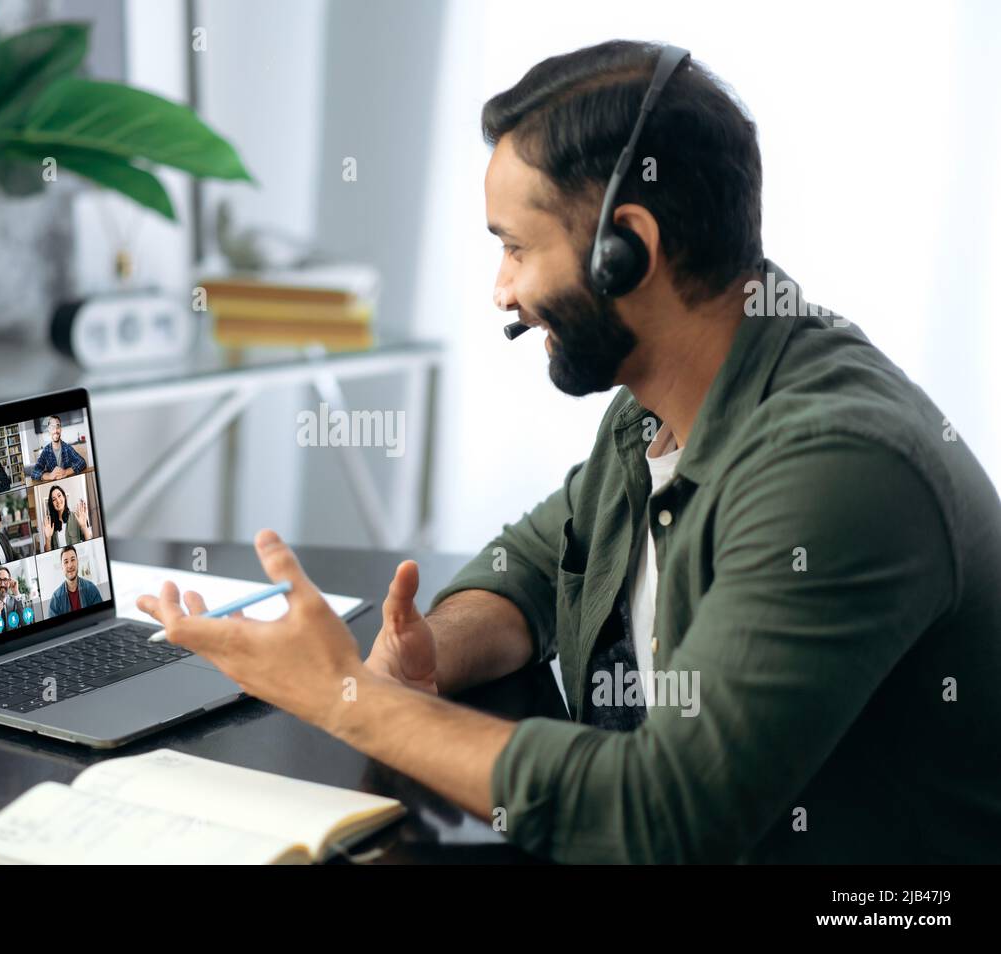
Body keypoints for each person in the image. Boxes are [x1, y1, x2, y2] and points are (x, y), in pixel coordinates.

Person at [133, 41, 1001, 864]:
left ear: (629, 248)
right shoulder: (659, 404)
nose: (502, 291)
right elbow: (538, 563)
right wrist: (430, 647)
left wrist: (347, 698)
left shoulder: (836, 469)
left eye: (515, 248)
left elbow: (666, 816)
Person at [48, 546, 103, 616]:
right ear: (62, 566)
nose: (70, 565)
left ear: (77, 562)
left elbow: (100, 617)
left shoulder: (91, 588)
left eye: (73, 560)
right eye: (66, 562)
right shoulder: (56, 598)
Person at [30, 415, 86, 482]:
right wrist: (49, 476)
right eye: (52, 427)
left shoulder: (67, 448)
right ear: (49, 430)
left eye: (58, 426)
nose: (56, 430)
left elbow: (82, 462)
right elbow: (34, 472)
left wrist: (66, 472)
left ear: (61, 429)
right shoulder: (46, 451)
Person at [39, 485, 93, 551]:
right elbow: (48, 551)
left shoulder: (76, 517)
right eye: (54, 499)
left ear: (64, 497)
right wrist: (47, 539)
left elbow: (90, 544)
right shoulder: (51, 525)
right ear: (52, 504)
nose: (58, 501)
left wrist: (84, 527)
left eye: (59, 496)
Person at [0, 566, 26, 634]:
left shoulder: (16, 601)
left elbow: (25, 624)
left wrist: (16, 593)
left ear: (9, 582)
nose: (2, 584)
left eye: (5, 580)